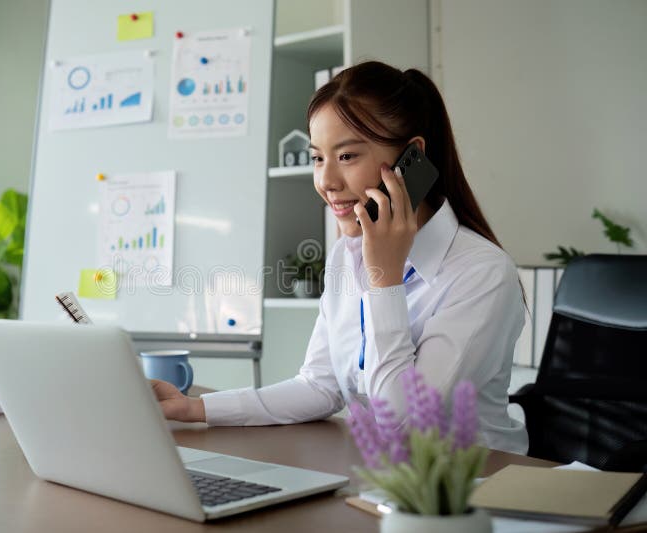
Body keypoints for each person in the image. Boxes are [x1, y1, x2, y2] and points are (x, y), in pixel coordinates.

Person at [152, 61, 528, 454]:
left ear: (412, 157)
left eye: (347, 157)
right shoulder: (348, 254)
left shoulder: (482, 273)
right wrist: (196, 408)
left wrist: (384, 279)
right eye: (317, 158)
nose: (327, 182)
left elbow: (403, 425)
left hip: (476, 488)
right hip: (385, 479)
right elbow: (319, 385)